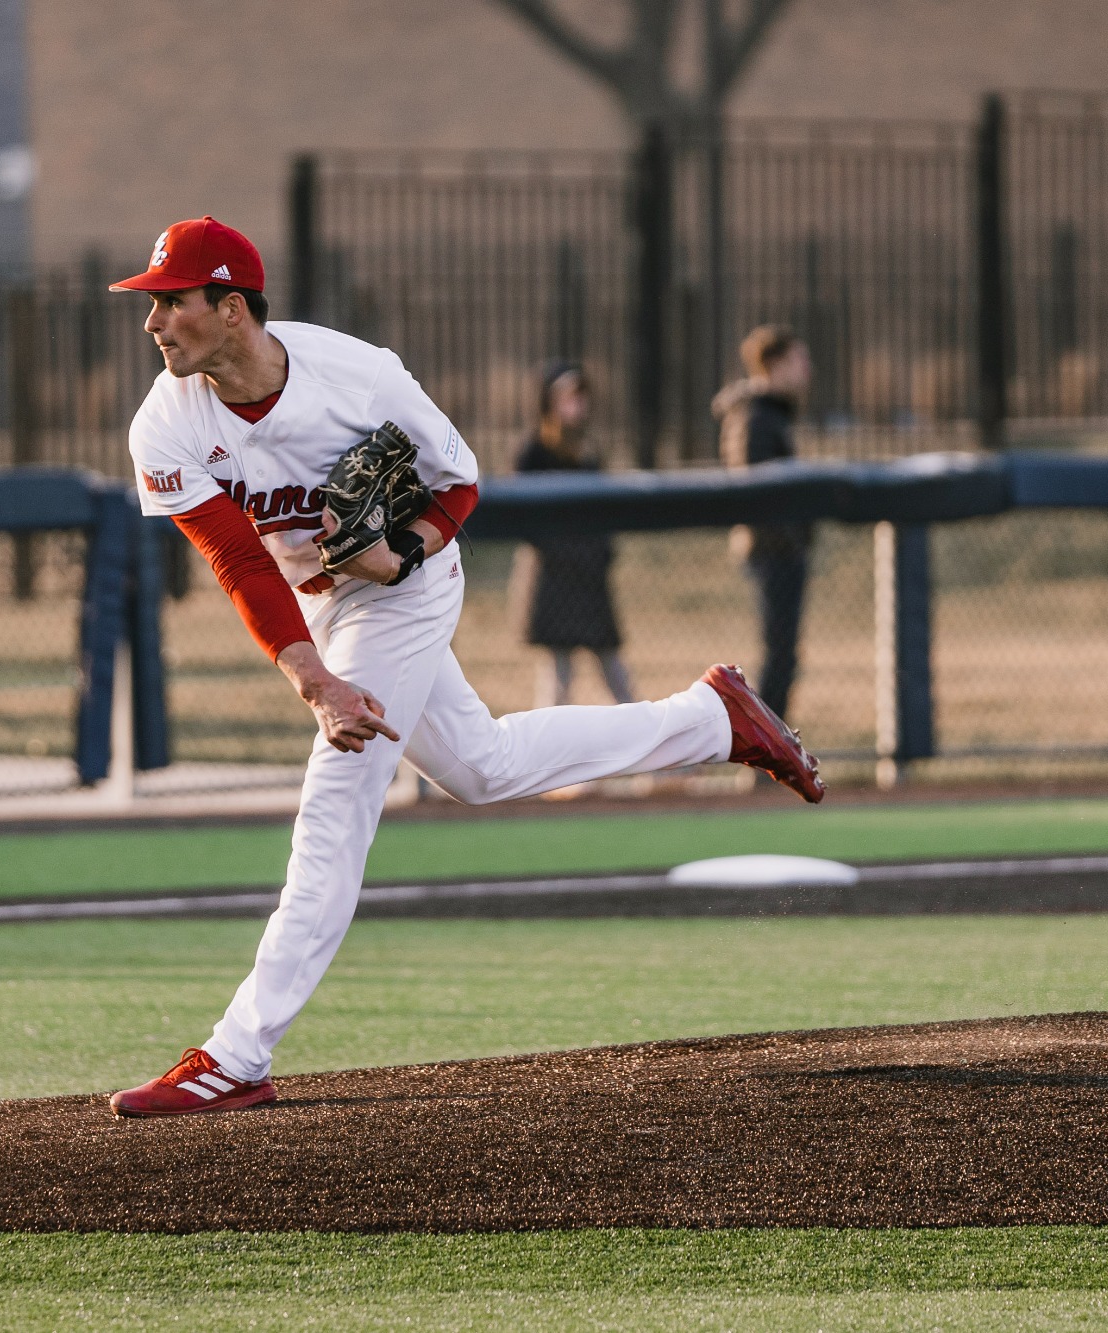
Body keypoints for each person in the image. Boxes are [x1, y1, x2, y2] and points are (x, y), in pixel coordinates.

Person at [105, 217, 824, 1119]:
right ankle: (714, 720)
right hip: (322, 607)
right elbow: (239, 563)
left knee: (339, 794)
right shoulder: (164, 424)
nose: (153, 321)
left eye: (171, 301)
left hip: (405, 588)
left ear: (234, 308)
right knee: (483, 767)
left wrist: (398, 553)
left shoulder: (356, 374)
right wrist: (313, 677)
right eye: (153, 303)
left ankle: (237, 1054)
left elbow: (460, 481)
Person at [510, 361, 635, 707]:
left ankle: (662, 758)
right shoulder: (532, 452)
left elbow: (602, 513)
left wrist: (603, 554)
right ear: (548, 402)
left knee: (615, 673)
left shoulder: (589, 450)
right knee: (558, 677)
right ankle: (547, 758)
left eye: (581, 398)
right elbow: (525, 519)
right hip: (554, 578)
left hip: (590, 578)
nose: (576, 406)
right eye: (567, 398)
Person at [712, 325, 815, 721]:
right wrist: (788, 536)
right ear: (774, 365)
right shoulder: (755, 417)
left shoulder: (773, 414)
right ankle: (766, 750)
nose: (807, 368)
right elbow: (752, 489)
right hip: (773, 551)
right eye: (798, 360)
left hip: (784, 548)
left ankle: (772, 746)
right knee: (779, 652)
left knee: (784, 651)